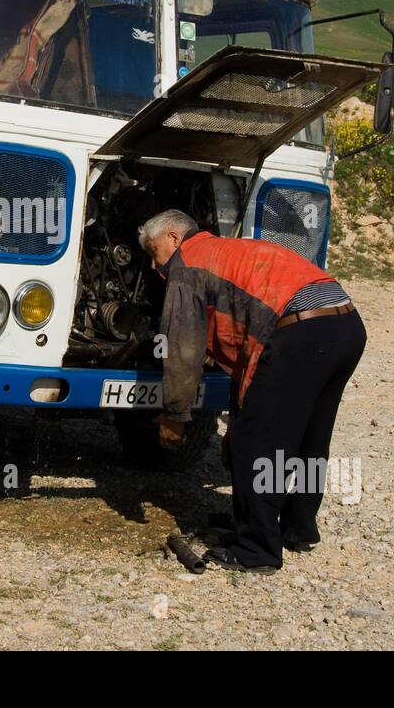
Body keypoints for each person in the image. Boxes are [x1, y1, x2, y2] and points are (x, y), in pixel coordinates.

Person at [138, 209, 367, 573]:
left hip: (300, 331)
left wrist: (176, 415)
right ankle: (297, 527)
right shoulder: (229, 250)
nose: (154, 266)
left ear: (172, 238)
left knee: (257, 443)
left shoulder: (187, 265)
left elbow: (182, 348)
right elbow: (248, 357)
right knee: (310, 434)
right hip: (346, 324)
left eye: (153, 253)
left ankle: (257, 549)